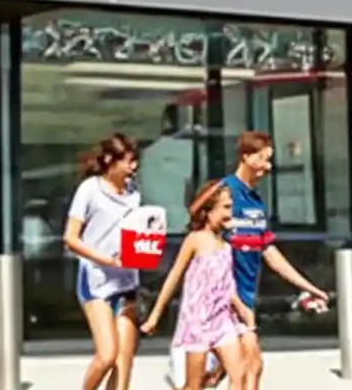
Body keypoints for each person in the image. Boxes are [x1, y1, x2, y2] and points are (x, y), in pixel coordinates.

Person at [220, 130, 331, 390]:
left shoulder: (257, 203)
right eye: (263, 159)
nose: (268, 167)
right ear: (246, 157)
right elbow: (205, 244)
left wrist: (308, 287)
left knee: (235, 371)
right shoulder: (224, 193)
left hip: (246, 294)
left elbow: (269, 252)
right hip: (224, 296)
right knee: (249, 366)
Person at [141, 180, 253, 390]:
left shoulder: (227, 247)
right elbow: (174, 277)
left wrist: (242, 309)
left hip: (222, 320)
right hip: (197, 322)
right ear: (208, 211)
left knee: (240, 374)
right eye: (226, 207)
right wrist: (155, 315)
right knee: (195, 384)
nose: (231, 213)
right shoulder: (195, 239)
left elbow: (227, 287)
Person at [63, 133, 144, 390]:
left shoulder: (134, 193)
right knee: (107, 355)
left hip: (127, 280)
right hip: (96, 279)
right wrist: (107, 259)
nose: (133, 167)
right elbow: (71, 238)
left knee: (123, 362)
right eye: (129, 161)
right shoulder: (90, 190)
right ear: (111, 160)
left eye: (135, 161)